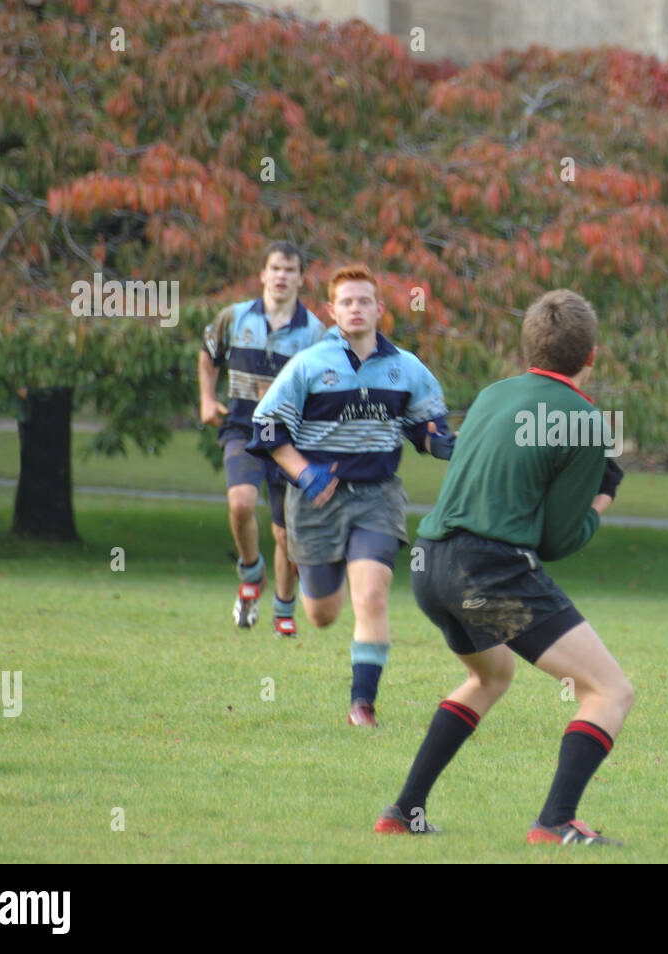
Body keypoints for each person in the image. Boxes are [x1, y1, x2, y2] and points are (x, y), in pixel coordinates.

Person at [374, 288, 631, 846]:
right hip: (488, 570)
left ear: (528, 349)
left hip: (429, 561)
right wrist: (602, 497)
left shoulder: (493, 395)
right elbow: (560, 540)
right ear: (591, 356)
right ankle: (555, 822)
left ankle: (403, 811)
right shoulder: (585, 420)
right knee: (609, 691)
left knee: (490, 676)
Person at [247, 263, 455, 727]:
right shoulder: (308, 365)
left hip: (377, 497)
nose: (356, 309)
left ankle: (362, 705)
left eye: (364, 301)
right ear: (331, 311)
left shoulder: (407, 368)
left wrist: (441, 443)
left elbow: (426, 428)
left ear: (380, 308)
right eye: (346, 302)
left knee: (372, 597)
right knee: (322, 614)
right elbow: (267, 427)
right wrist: (306, 475)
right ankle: (314, 584)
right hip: (316, 502)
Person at [198, 240, 324, 637]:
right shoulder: (233, 318)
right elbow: (207, 353)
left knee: (286, 532)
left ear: (301, 278)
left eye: (290, 269)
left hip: (290, 438)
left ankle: (283, 610)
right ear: (263, 274)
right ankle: (251, 571)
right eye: (275, 268)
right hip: (243, 428)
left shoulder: (316, 333)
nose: (282, 276)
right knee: (240, 504)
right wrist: (206, 398)